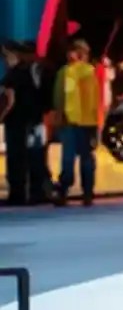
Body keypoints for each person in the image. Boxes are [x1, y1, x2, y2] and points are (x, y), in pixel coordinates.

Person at [52, 39, 101, 207]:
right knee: (84, 158)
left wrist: (59, 116)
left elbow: (61, 97)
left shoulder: (68, 72)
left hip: (72, 121)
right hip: (85, 122)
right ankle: (86, 193)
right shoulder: (91, 72)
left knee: (69, 158)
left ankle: (65, 191)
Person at [1, 41, 44, 205]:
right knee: (33, 155)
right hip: (33, 120)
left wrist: (1, 116)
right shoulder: (31, 72)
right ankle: (35, 192)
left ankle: (17, 194)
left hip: (16, 122)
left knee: (16, 157)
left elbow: (9, 100)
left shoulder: (14, 74)